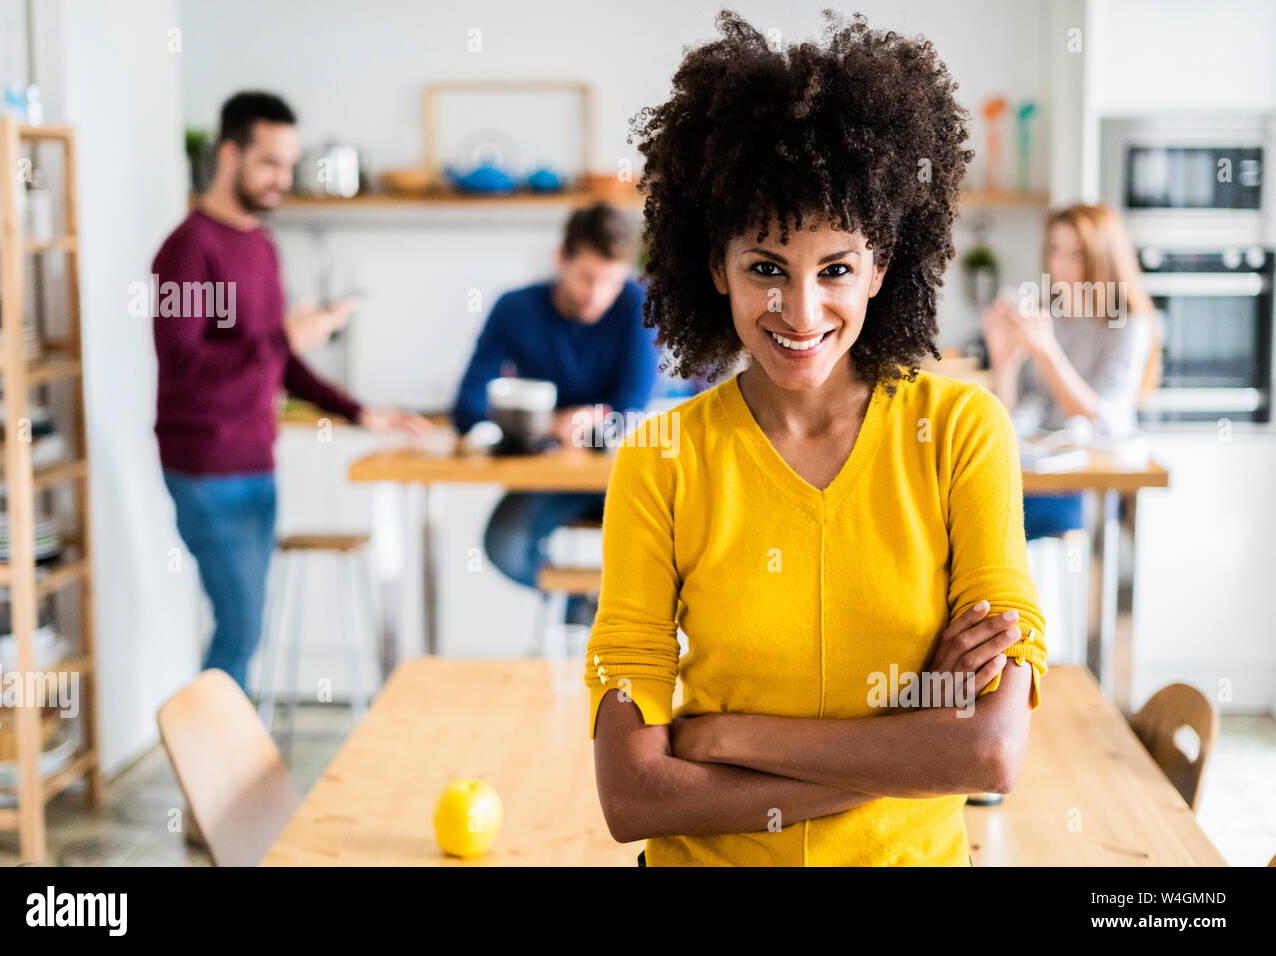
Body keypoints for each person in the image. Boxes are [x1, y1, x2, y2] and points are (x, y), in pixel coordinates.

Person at [585, 11, 1046, 867]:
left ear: (881, 267)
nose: (800, 314)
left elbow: (988, 753)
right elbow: (632, 797)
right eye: (766, 267)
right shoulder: (661, 461)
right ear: (714, 265)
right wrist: (912, 739)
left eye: (835, 269)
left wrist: (722, 735)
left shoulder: (961, 434)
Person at [153, 91, 431, 691]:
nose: (284, 179)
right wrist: (285, 338)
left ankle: (233, 771)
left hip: (255, 462)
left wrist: (360, 411)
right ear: (229, 155)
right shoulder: (187, 249)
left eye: (289, 163)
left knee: (246, 628)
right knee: (242, 627)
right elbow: (185, 365)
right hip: (205, 468)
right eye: (270, 163)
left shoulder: (261, 247)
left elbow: (280, 365)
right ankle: (217, 778)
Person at [451, 203, 659, 627]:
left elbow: (633, 407)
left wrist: (592, 422)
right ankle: (583, 612)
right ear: (560, 258)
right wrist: (546, 425)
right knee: (504, 546)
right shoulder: (514, 309)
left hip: (624, 481)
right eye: (585, 278)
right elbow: (467, 407)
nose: (596, 295)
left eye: (610, 283)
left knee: (676, 554)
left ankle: (627, 628)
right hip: (548, 479)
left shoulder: (639, 307)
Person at [985, 203, 1159, 540]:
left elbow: (1102, 417)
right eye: (1054, 250)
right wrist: (1002, 359)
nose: (1059, 266)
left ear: (1102, 260)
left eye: (1075, 254)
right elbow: (1005, 415)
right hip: (1033, 474)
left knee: (991, 527)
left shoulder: (1128, 325)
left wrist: (1046, 351)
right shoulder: (1047, 313)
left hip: (1084, 487)